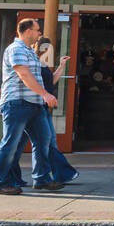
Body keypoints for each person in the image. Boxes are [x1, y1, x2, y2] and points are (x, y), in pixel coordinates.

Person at [0, 18, 63, 194]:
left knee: (43, 140)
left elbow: (37, 77)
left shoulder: (29, 51)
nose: (40, 34)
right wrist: (45, 94)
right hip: (17, 104)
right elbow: (24, 74)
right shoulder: (16, 49)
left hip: (35, 105)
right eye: (37, 30)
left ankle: (41, 179)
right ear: (28, 31)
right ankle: (0, 184)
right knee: (10, 144)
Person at [32, 39, 78, 185]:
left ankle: (58, 174)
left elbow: (51, 81)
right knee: (46, 142)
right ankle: (60, 174)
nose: (49, 51)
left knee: (48, 141)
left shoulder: (42, 64)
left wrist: (62, 65)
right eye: (47, 48)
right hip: (37, 106)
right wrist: (44, 95)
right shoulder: (33, 63)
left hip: (43, 106)